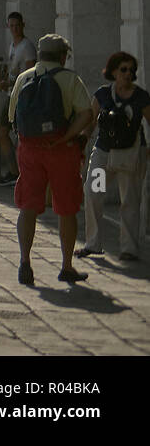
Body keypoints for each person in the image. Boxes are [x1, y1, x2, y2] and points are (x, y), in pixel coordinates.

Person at [9, 33, 94, 285]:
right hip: (62, 149)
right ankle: (66, 265)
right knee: (66, 207)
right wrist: (65, 136)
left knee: (28, 206)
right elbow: (87, 114)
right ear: (63, 56)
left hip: (30, 149)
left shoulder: (25, 78)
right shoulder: (70, 79)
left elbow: (13, 116)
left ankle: (25, 262)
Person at [78, 52, 149, 262]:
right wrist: (82, 144)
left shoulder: (141, 97)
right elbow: (90, 122)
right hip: (104, 155)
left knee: (129, 201)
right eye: (123, 69)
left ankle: (129, 248)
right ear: (113, 72)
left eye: (131, 70)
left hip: (130, 156)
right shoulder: (102, 95)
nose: (128, 74)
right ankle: (93, 243)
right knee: (93, 192)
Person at [0, 12, 37, 186]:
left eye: (18, 25)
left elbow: (29, 75)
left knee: (3, 132)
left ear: (23, 25)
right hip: (11, 93)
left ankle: (15, 173)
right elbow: (14, 71)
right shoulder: (12, 45)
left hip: (20, 96)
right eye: (12, 26)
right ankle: (14, 172)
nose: (15, 29)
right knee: (4, 133)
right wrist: (1, 78)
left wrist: (7, 83)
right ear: (8, 27)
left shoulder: (27, 47)